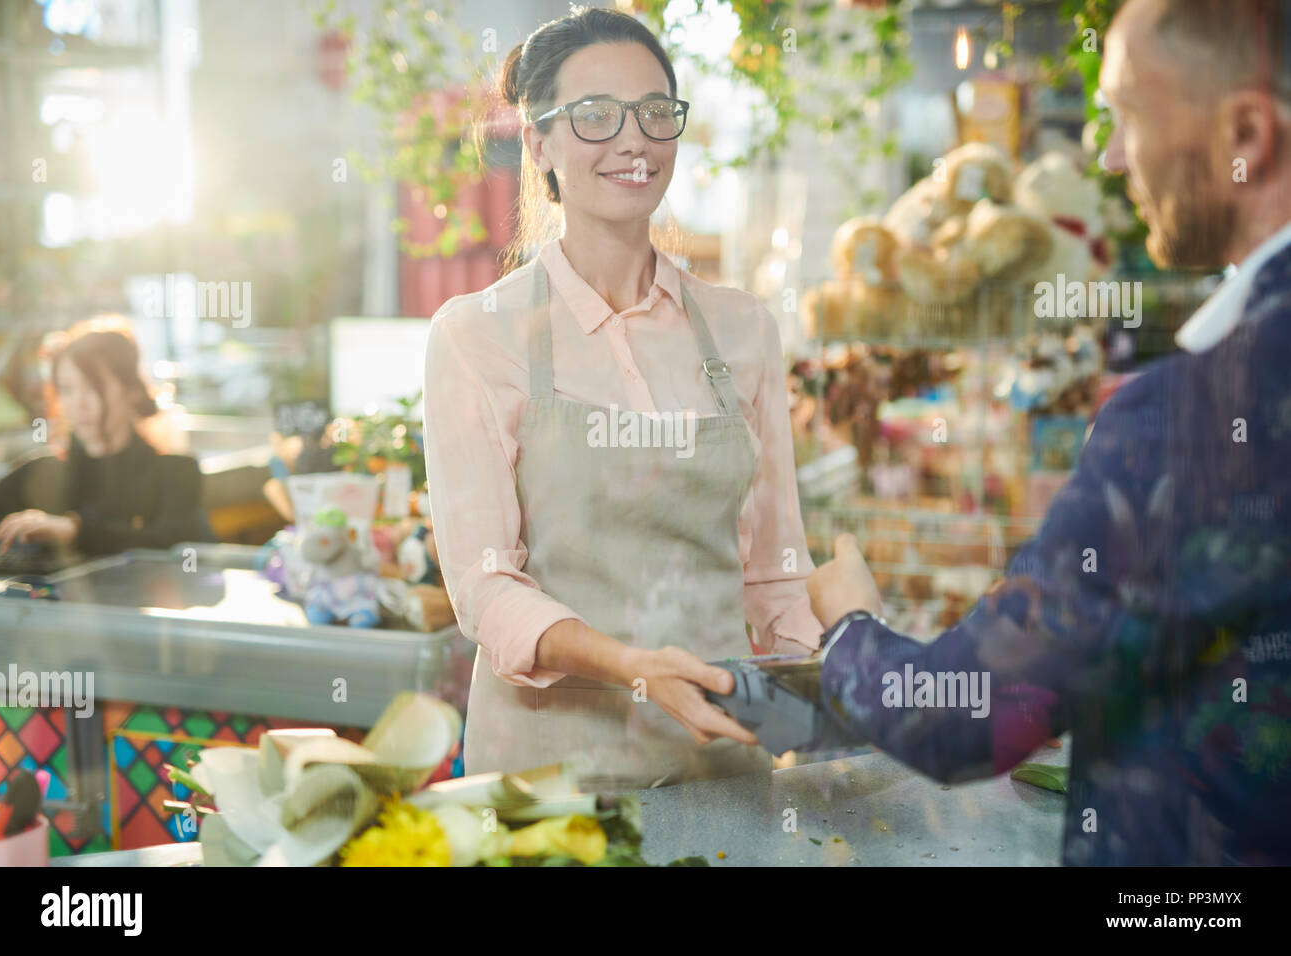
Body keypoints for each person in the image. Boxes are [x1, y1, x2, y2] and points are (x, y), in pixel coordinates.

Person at [802, 0, 1291, 865]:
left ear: (1247, 132)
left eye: (1129, 117)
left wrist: (848, 627)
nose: (1107, 157)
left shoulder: (1194, 416)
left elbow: (968, 716)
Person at [424, 7, 821, 790]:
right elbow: (485, 588)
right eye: (595, 117)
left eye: (654, 112)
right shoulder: (478, 335)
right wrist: (631, 666)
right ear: (539, 142)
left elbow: (776, 569)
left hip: (719, 763)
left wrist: (828, 689)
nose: (633, 140)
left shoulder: (742, 330)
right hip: (548, 779)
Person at [0, 318, 209, 557]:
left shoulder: (176, 473)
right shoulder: (40, 473)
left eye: (93, 387)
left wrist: (73, 531)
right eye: (67, 389)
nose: (78, 404)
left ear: (132, 391)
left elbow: (168, 543)